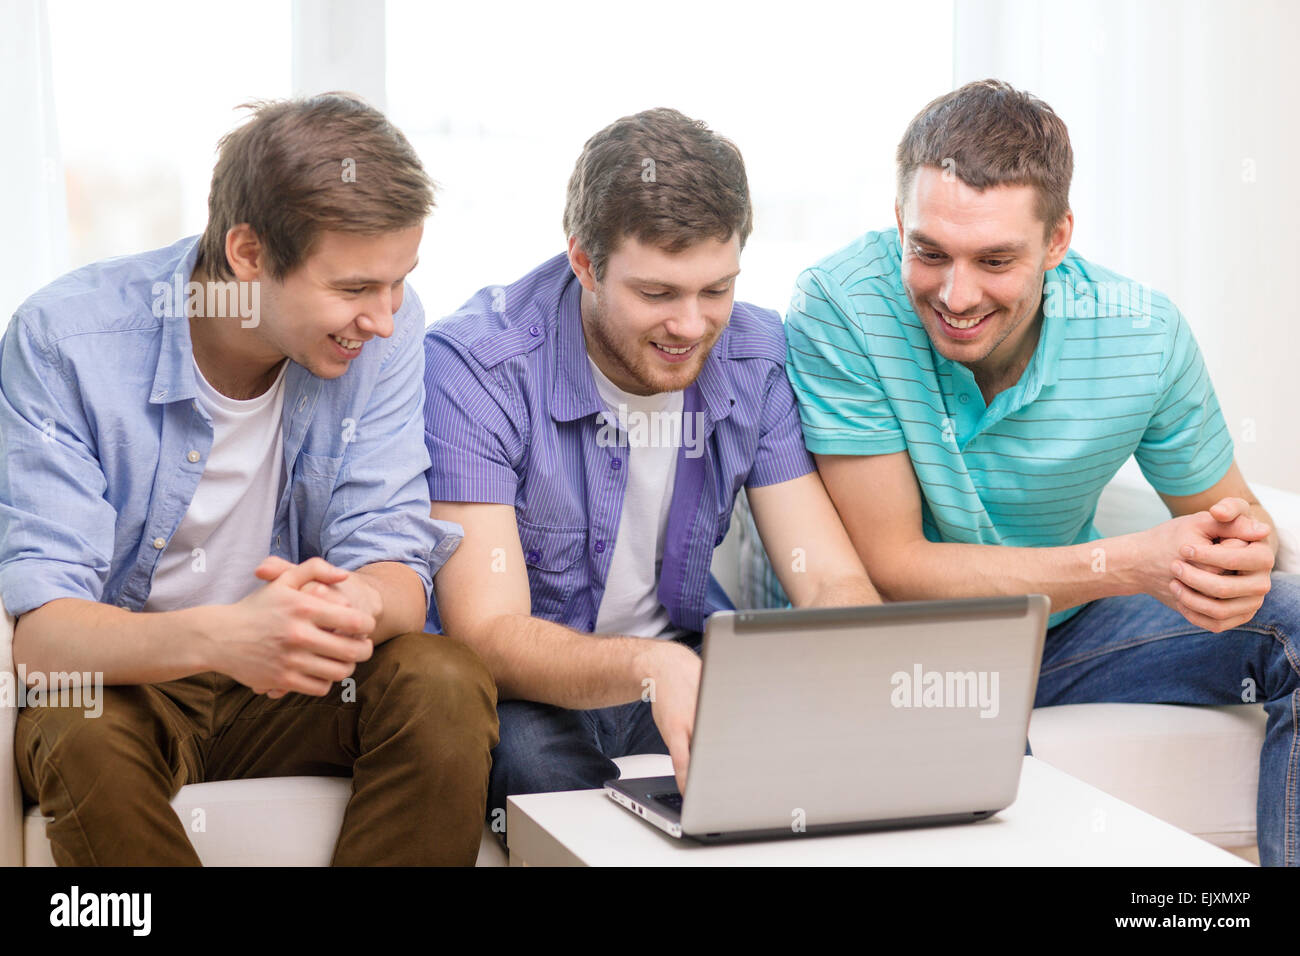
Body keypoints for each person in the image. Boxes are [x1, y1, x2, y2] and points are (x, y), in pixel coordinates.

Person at [783, 79, 1300, 866]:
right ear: (898, 224)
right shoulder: (840, 307)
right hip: (899, 640)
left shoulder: (1141, 334)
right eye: (928, 252)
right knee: (973, 765)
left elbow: (1238, 523)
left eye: (995, 260)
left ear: (1058, 239)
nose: (956, 295)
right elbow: (893, 567)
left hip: (1067, 634)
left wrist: (1240, 554)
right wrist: (1128, 563)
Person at [0, 94, 498, 866]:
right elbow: (43, 642)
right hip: (138, 681)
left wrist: (358, 599)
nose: (386, 319)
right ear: (248, 254)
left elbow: (398, 562)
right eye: (356, 288)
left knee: (442, 678)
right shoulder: (66, 340)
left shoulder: (380, 340)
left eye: (399, 281)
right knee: (77, 726)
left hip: (297, 691)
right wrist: (228, 638)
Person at [422, 108, 881, 824]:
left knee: (825, 760)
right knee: (533, 763)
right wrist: (648, 668)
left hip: (688, 660)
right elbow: (489, 635)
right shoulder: (476, 368)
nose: (692, 326)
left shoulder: (756, 356)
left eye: (716, 290)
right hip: (532, 687)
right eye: (657, 294)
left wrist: (853, 664)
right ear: (584, 262)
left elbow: (826, 575)